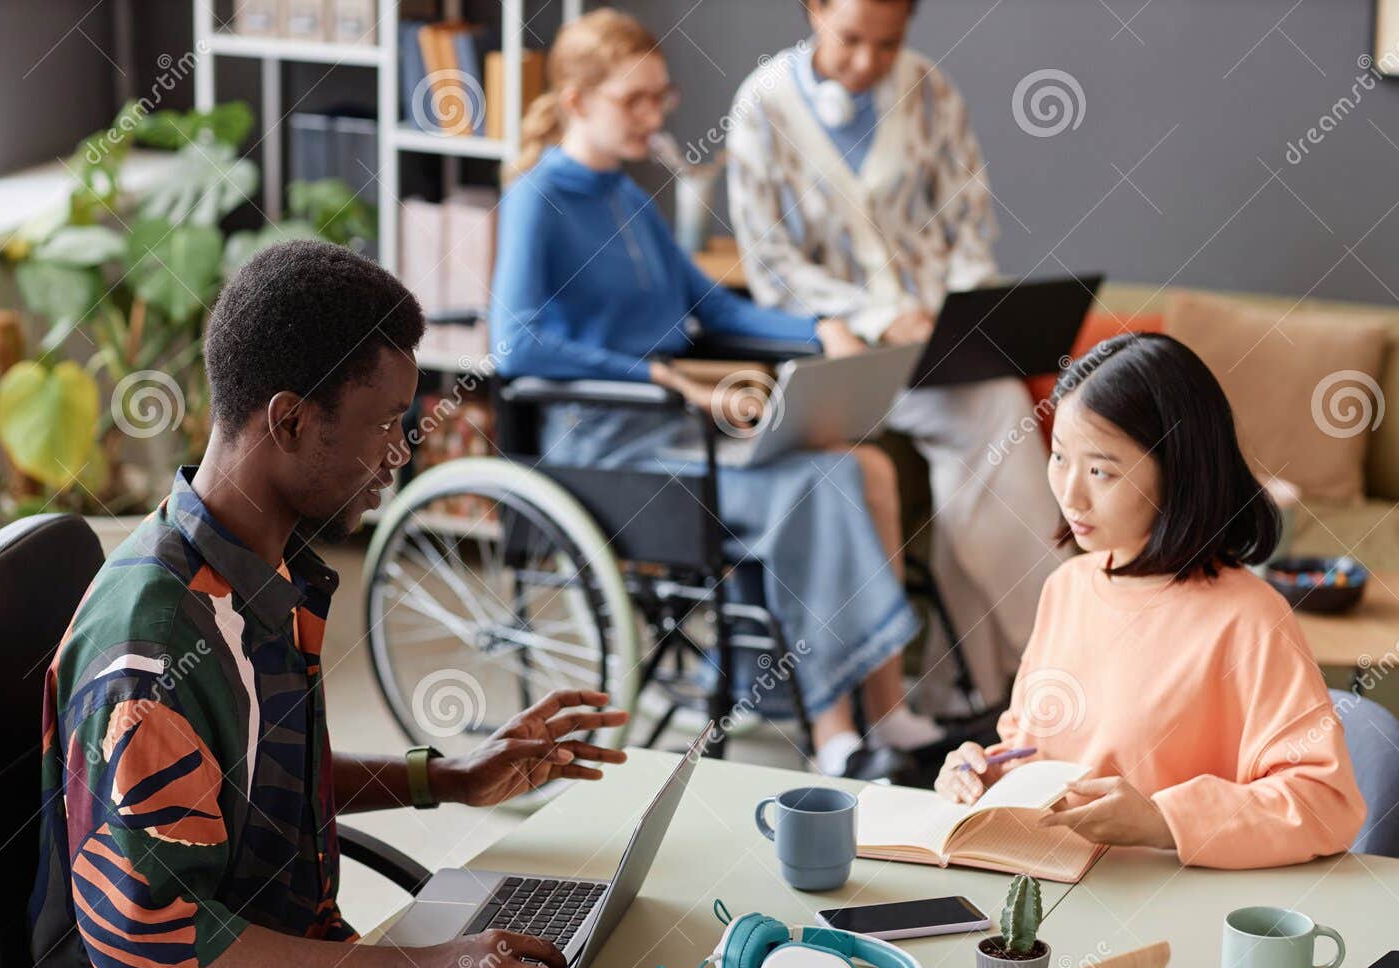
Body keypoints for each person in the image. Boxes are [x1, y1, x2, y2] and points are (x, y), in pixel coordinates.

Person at [29, 241, 629, 968]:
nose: (400, 452)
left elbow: (249, 782)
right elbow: (149, 941)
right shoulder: (155, 650)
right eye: (385, 424)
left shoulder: (263, 568)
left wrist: (451, 777)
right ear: (289, 421)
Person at [490, 7, 947, 778]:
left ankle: (888, 709)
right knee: (817, 482)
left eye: (660, 96)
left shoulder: (629, 199)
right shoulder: (540, 200)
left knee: (866, 468)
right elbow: (515, 342)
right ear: (576, 101)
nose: (655, 115)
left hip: (675, 431)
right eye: (634, 100)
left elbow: (716, 309)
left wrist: (820, 328)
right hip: (607, 446)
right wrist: (659, 377)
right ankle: (835, 734)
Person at [725, 0, 1066, 713]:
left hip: (938, 342)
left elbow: (969, 226)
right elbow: (772, 264)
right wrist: (881, 318)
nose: (867, 63)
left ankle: (972, 687)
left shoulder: (929, 88)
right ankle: (1050, 660)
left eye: (887, 45)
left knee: (995, 411)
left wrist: (958, 313)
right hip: (847, 350)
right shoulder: (763, 104)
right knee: (996, 415)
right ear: (814, 9)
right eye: (851, 39)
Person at [935, 334, 1366, 868]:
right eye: (1059, 457)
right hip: (1053, 878)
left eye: (1100, 471)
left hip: (1172, 897)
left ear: (1177, 472)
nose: (1069, 494)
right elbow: (1034, 749)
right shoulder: (1067, 587)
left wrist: (1165, 822)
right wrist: (988, 770)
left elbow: (1324, 803)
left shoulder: (1250, 619)